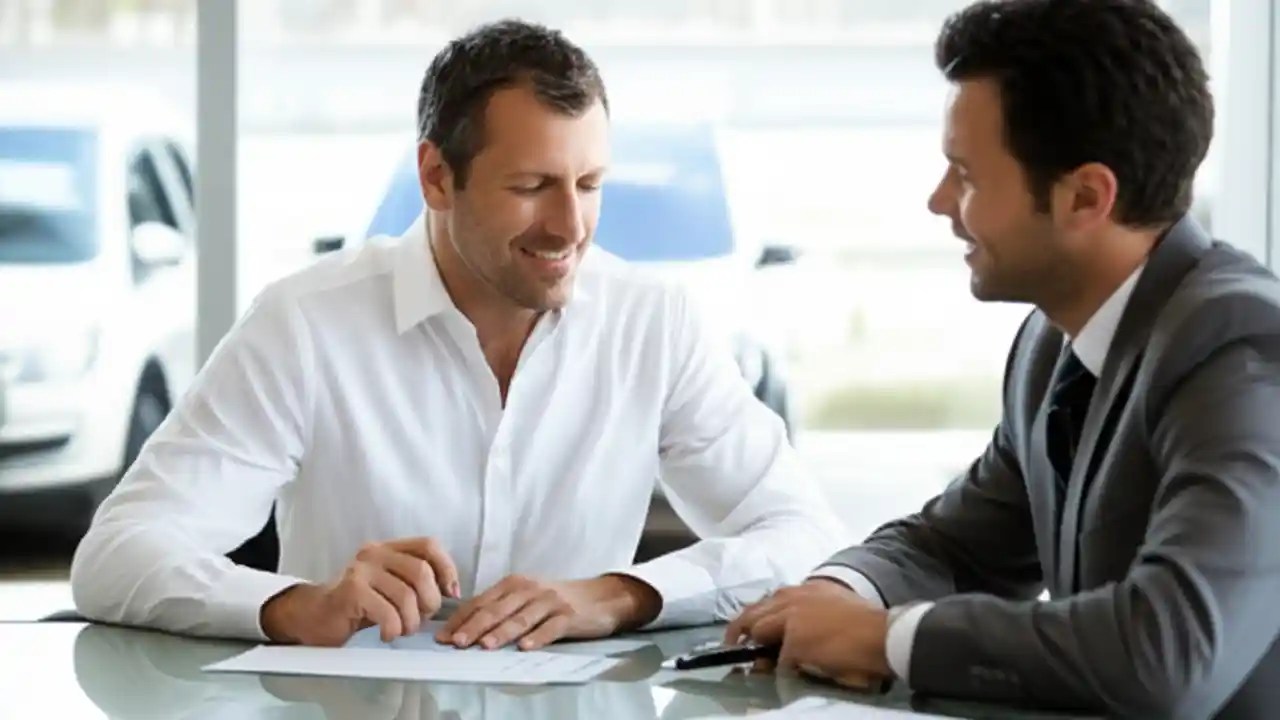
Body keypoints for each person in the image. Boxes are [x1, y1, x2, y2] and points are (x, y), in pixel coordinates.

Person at [70, 19, 844, 649]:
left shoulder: (653, 323)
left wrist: (620, 595)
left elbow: (805, 537)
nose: (570, 226)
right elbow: (117, 556)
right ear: (437, 176)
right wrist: (291, 606)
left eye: (589, 184)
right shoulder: (306, 323)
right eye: (533, 186)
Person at [726, 1, 1280, 717]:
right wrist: (839, 595)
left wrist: (885, 640)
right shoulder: (1054, 346)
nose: (938, 202)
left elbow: (1167, 652)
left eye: (966, 175)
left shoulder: (1240, 347)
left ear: (1085, 196)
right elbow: (958, 546)